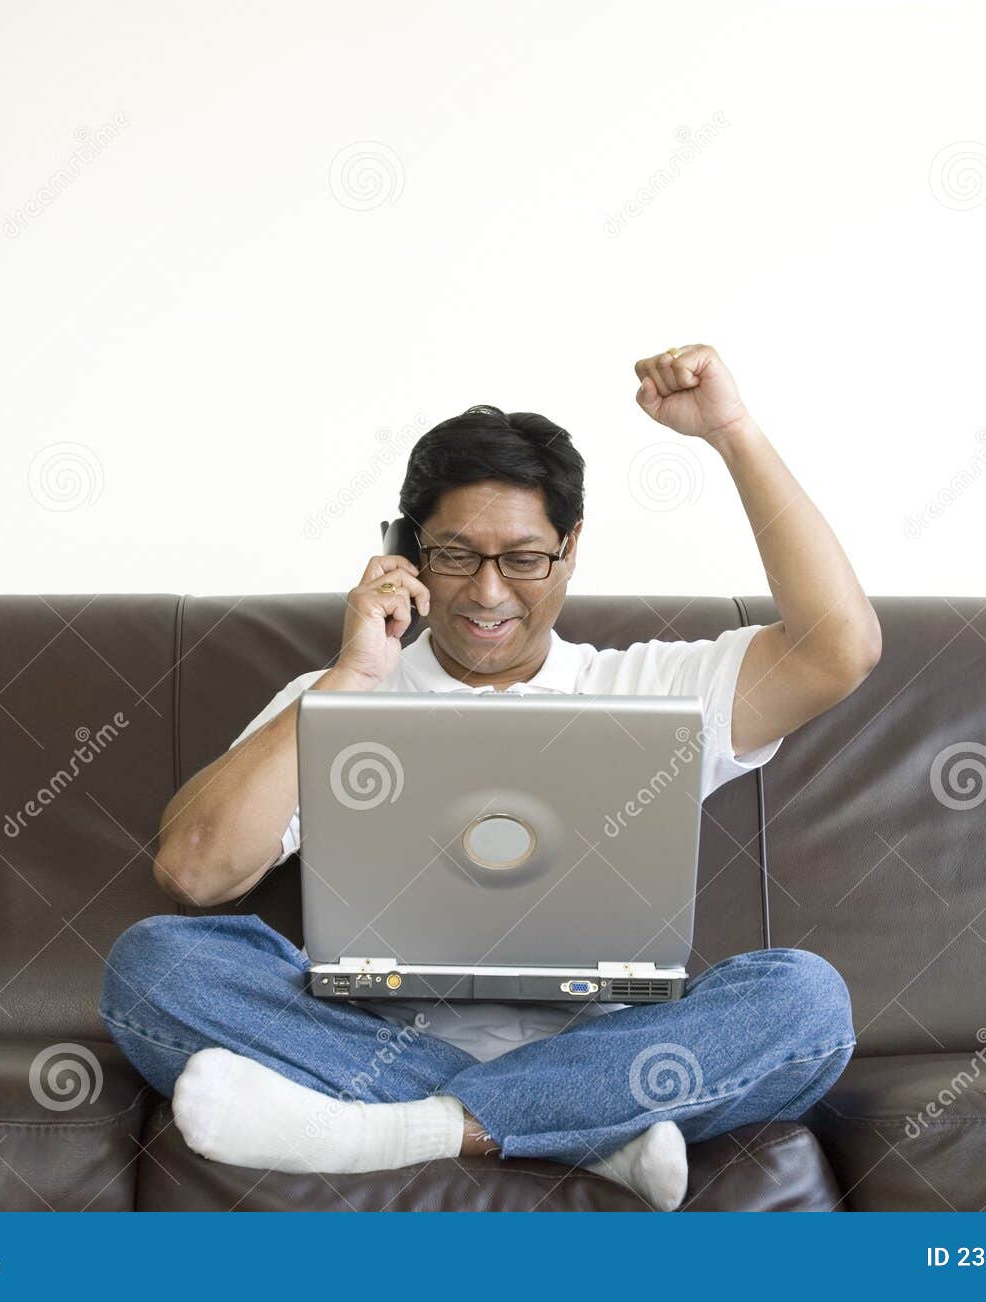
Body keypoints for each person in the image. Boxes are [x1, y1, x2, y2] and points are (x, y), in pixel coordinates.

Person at [101, 344, 882, 1210]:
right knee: (154, 965)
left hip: (603, 1040)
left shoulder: (650, 689)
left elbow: (838, 649)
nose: (485, 591)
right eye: (454, 554)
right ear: (404, 549)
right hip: (374, 1034)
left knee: (806, 1001)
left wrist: (732, 432)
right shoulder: (336, 694)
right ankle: (589, 1135)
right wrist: (353, 681)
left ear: (571, 548)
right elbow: (193, 870)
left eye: (522, 557)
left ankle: (399, 1130)